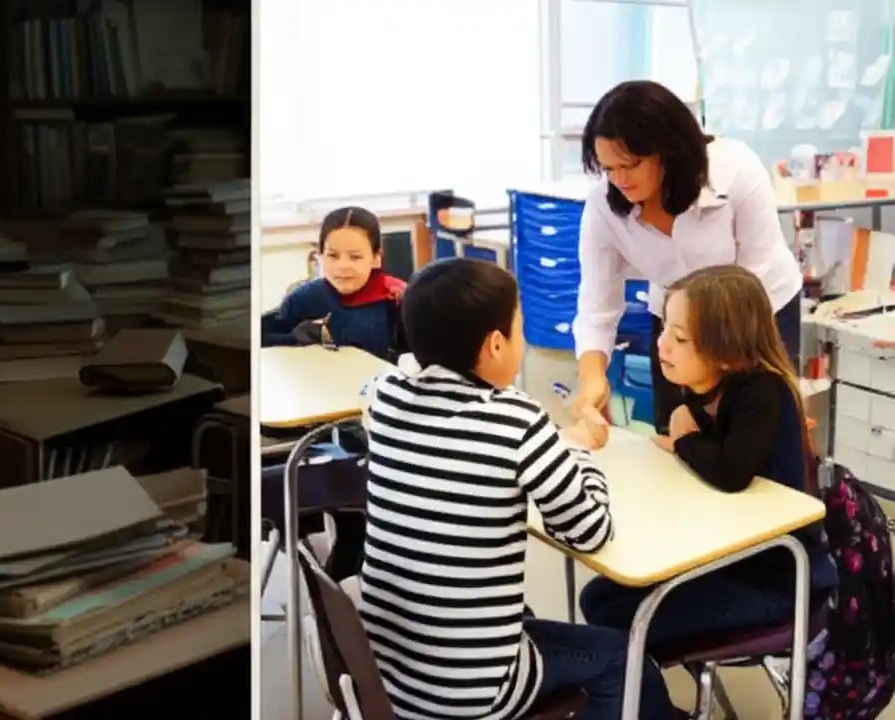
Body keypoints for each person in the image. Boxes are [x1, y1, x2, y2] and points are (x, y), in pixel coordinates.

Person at [358, 257, 682, 720]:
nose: (524, 340)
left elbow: (389, 395)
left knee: (525, 613)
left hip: (390, 678)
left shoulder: (387, 396)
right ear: (494, 345)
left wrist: (556, 445)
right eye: (519, 327)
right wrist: (581, 455)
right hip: (473, 691)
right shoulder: (515, 421)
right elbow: (591, 531)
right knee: (621, 660)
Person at [580, 264, 838, 648]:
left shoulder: (761, 391)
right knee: (597, 597)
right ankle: (638, 692)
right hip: (727, 554)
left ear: (728, 351)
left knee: (621, 616)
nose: (661, 345)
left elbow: (731, 472)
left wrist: (685, 441)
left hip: (776, 578)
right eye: (664, 328)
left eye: (679, 338)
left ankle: (644, 700)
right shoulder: (703, 385)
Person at [570, 80, 803, 435]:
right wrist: (592, 381)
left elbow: (755, 283)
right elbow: (596, 308)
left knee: (751, 440)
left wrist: (712, 364)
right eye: (608, 168)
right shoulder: (604, 205)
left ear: (667, 151)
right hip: (676, 319)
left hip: (759, 314)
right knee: (676, 435)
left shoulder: (736, 171)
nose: (618, 180)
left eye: (629, 165)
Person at [261, 206, 406, 361]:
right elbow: (263, 341)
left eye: (355, 257)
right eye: (333, 255)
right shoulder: (302, 299)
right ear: (320, 256)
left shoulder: (398, 299)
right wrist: (294, 339)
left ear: (376, 258)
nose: (342, 266)